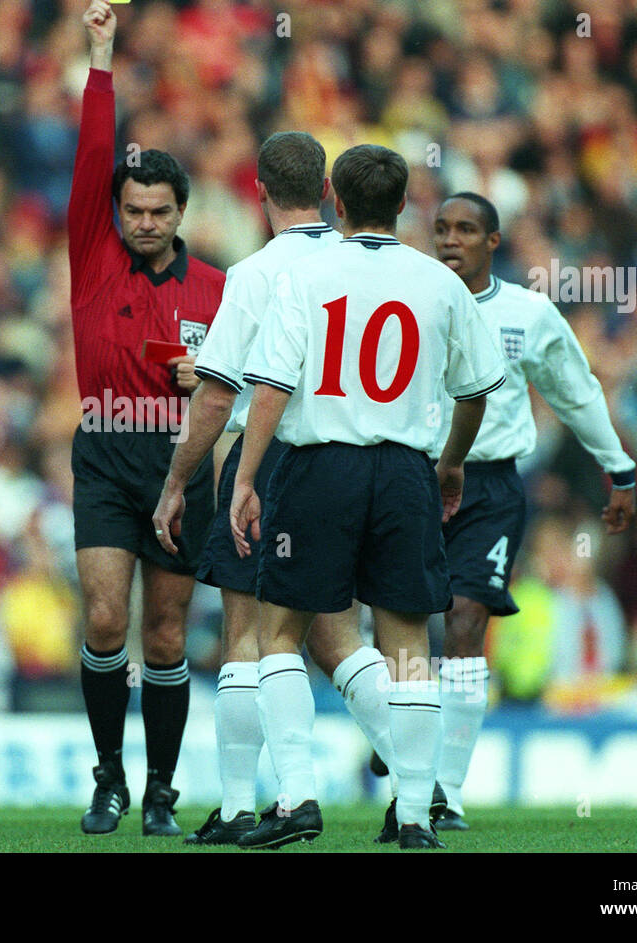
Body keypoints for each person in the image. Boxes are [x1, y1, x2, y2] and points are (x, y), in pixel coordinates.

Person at [229, 145, 505, 849]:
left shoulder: (307, 273)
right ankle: (414, 815)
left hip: (320, 466)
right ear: (404, 202)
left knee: (281, 629)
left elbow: (271, 385)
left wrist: (243, 478)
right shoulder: (437, 281)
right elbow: (478, 389)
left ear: (336, 201)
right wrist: (450, 464)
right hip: (407, 471)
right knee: (408, 640)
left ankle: (297, 797)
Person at [153, 131, 409, 846]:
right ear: (328, 191)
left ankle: (244, 804)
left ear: (258, 191)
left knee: (250, 632)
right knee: (333, 634)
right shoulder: (355, 263)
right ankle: (423, 774)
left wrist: (179, 482)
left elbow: (218, 396)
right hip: (360, 461)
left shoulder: (258, 273)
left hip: (272, 458)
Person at [427, 192, 635, 830]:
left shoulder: (528, 312)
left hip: (490, 489)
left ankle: (444, 792)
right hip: (410, 481)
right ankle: (398, 741)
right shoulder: (406, 304)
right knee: (399, 630)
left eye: (466, 229)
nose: (450, 240)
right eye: (441, 229)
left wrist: (618, 467)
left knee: (465, 622)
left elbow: (575, 391)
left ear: (494, 241)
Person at [70, 0, 225, 836]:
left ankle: (161, 787)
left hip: (181, 460)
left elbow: (239, 384)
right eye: (132, 209)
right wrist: (101, 55)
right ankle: (108, 777)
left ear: (181, 213)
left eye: (159, 212)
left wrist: (207, 375)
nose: (142, 223)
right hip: (101, 446)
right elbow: (97, 148)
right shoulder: (92, 252)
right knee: (103, 618)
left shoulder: (216, 291)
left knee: (165, 634)